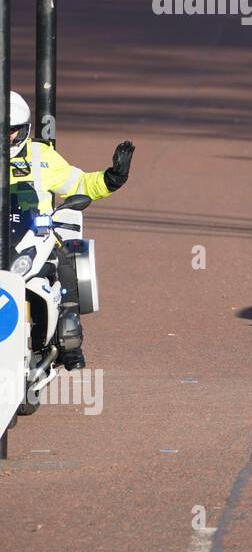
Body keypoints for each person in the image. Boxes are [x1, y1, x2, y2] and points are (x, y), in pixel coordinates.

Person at [8, 91, 135, 370]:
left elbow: (78, 184)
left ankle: (69, 343)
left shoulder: (41, 157)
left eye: (12, 132)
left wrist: (111, 179)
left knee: (65, 263)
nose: (7, 138)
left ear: (24, 129)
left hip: (34, 235)